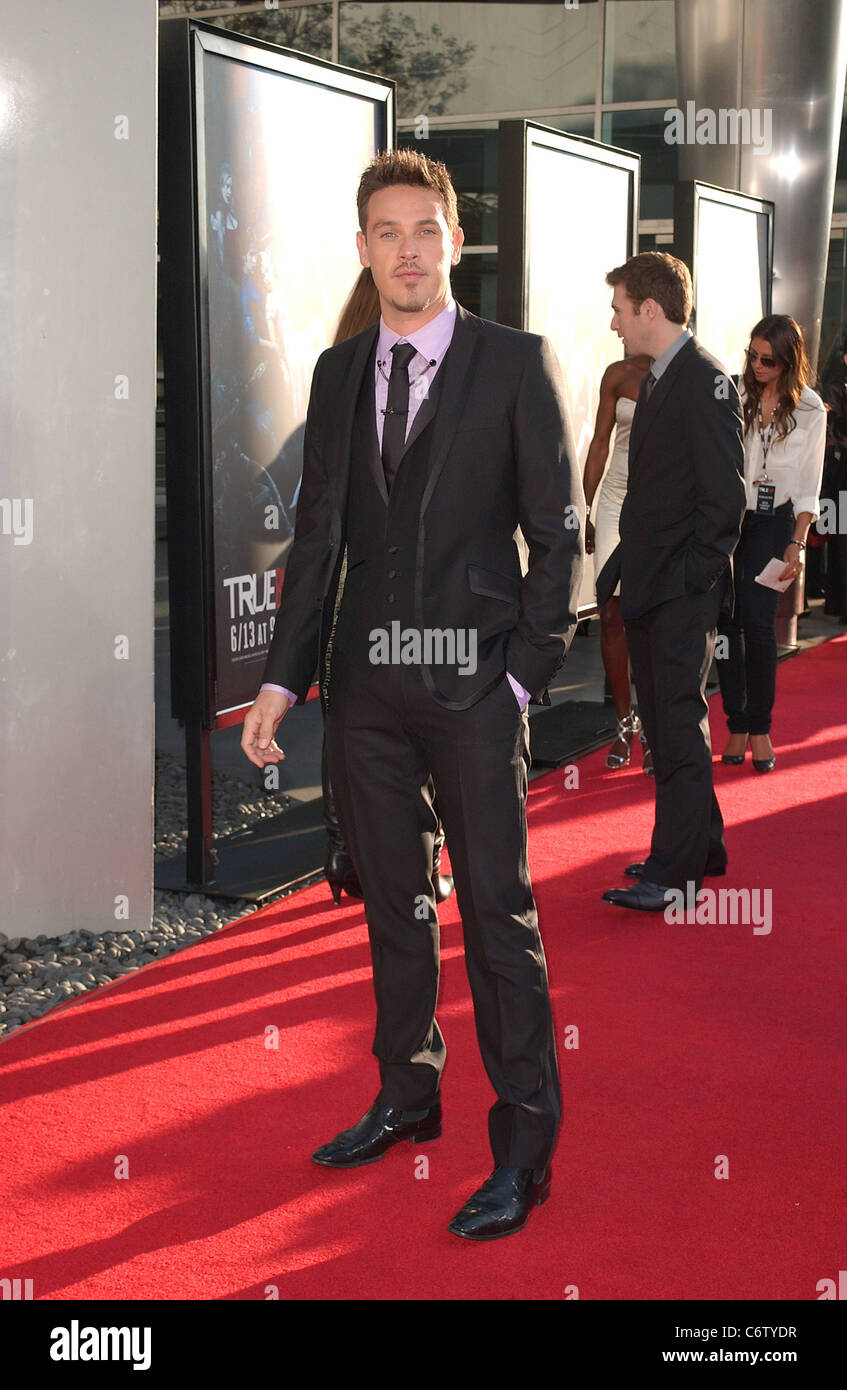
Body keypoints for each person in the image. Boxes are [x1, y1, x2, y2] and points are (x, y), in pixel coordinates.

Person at [240, 149, 584, 1240]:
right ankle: (406, 1092)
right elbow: (319, 538)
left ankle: (524, 1147)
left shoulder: (515, 364)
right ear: (363, 249)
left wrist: (522, 676)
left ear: (454, 242)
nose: (406, 250)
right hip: (369, 696)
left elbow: (557, 535)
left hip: (478, 689)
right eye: (386, 232)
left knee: (496, 913)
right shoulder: (341, 373)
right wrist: (282, 681)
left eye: (424, 230)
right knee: (393, 909)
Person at [597, 252, 746, 912]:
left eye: (619, 309)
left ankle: (674, 871)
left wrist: (689, 581)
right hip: (652, 583)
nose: (612, 323)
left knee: (674, 728)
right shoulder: (663, 377)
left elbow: (725, 501)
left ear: (649, 310)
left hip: (680, 592)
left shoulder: (703, 381)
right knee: (666, 721)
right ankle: (701, 846)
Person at [321, 266, 453, 906]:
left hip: (380, 612)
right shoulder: (346, 371)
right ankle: (383, 852)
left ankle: (357, 846)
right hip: (386, 614)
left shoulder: (364, 361)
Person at [717, 316, 826, 771]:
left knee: (758, 624)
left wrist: (797, 544)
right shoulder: (735, 398)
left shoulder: (810, 410)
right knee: (726, 625)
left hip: (774, 524)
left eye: (769, 359)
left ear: (788, 361)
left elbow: (808, 486)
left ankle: (758, 727)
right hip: (728, 523)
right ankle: (735, 723)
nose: (758, 365)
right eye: (753, 356)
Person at [583, 354, 654, 773]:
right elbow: (599, 442)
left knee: (647, 615)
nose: (617, 327)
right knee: (611, 611)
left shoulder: (685, 372)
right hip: (612, 502)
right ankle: (624, 723)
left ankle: (653, 726)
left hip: (657, 506)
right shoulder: (617, 374)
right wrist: (586, 507)